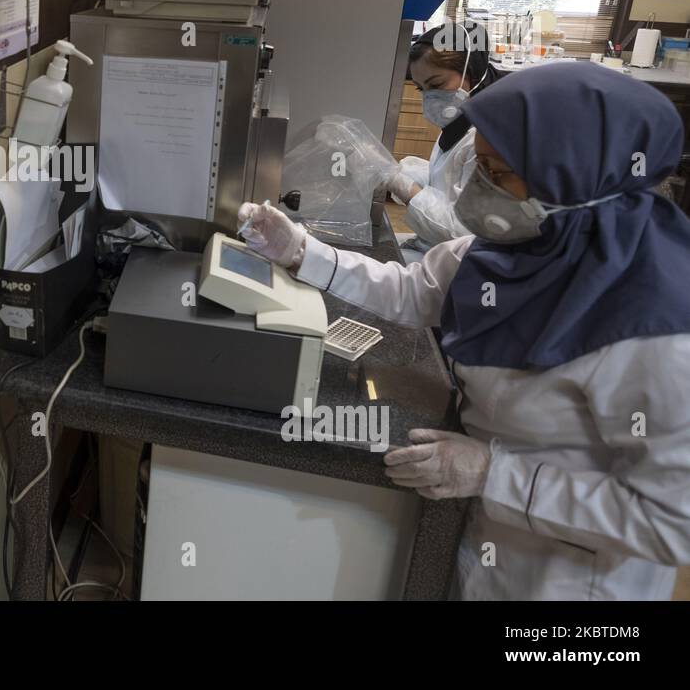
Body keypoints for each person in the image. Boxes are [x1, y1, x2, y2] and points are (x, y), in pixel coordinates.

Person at [238, 64, 690, 600]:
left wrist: (494, 476)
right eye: (480, 164)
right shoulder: (521, 244)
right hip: (481, 545)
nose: (479, 187)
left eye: (499, 174)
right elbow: (413, 290)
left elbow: (672, 522)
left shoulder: (654, 331)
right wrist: (301, 251)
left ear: (573, 184)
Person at [389, 22, 498, 259]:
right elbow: (449, 179)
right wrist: (397, 170)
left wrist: (403, 186)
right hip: (435, 248)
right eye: (421, 89)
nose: (430, 98)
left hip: (460, 261)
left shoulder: (487, 139)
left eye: (436, 85)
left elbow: (462, 233)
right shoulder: (459, 121)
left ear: (472, 73)